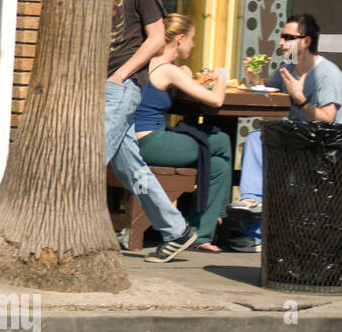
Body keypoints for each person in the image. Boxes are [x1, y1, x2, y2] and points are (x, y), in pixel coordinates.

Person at [107, 0, 198, 262]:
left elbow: (157, 37)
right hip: (104, 85)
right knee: (131, 168)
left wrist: (121, 75)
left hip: (121, 86)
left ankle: (61, 233)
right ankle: (177, 231)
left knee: (90, 158)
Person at [228, 14, 341, 253]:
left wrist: (300, 100)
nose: (281, 42)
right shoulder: (289, 66)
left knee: (263, 143)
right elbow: (271, 88)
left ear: (306, 41)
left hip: (324, 146)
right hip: (297, 139)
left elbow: (328, 119)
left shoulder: (326, 74)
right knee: (257, 139)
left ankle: (256, 228)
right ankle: (252, 208)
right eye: (281, 36)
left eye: (289, 37)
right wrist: (254, 78)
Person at [133, 14, 232, 253]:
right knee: (221, 140)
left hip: (139, 141)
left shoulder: (150, 62)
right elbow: (216, 100)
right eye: (192, 39)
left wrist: (183, 75)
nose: (193, 44)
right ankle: (219, 214)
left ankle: (201, 235)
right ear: (179, 39)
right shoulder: (168, 69)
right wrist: (221, 78)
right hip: (152, 142)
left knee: (218, 166)